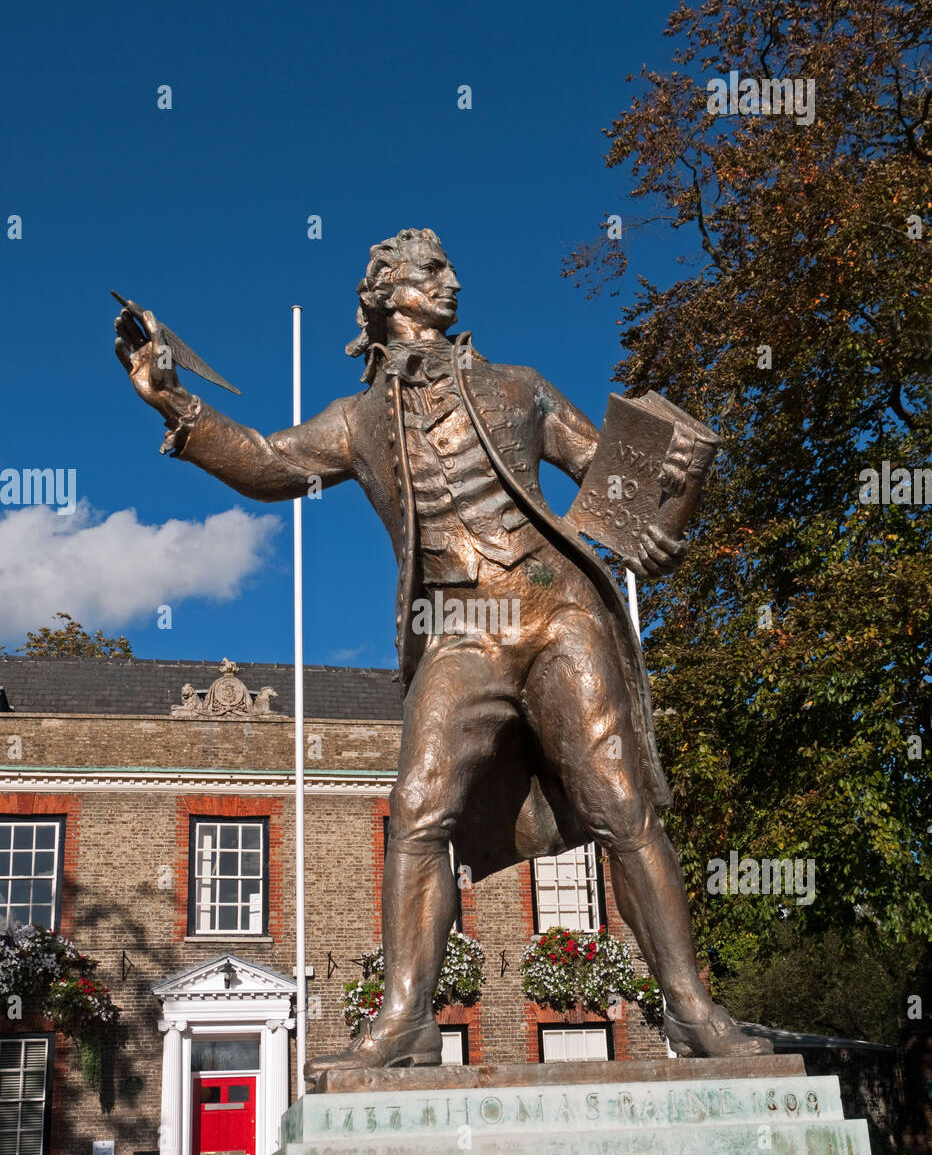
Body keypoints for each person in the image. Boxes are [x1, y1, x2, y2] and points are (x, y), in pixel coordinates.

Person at [115, 227, 772, 1066]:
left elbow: (608, 473)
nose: (454, 280)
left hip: (556, 609)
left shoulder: (519, 385)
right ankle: (405, 1018)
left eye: (451, 266)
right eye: (433, 270)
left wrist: (665, 502)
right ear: (389, 293)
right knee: (419, 809)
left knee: (619, 805)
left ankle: (690, 1008)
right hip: (455, 634)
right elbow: (270, 463)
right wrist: (175, 400)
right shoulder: (357, 421)